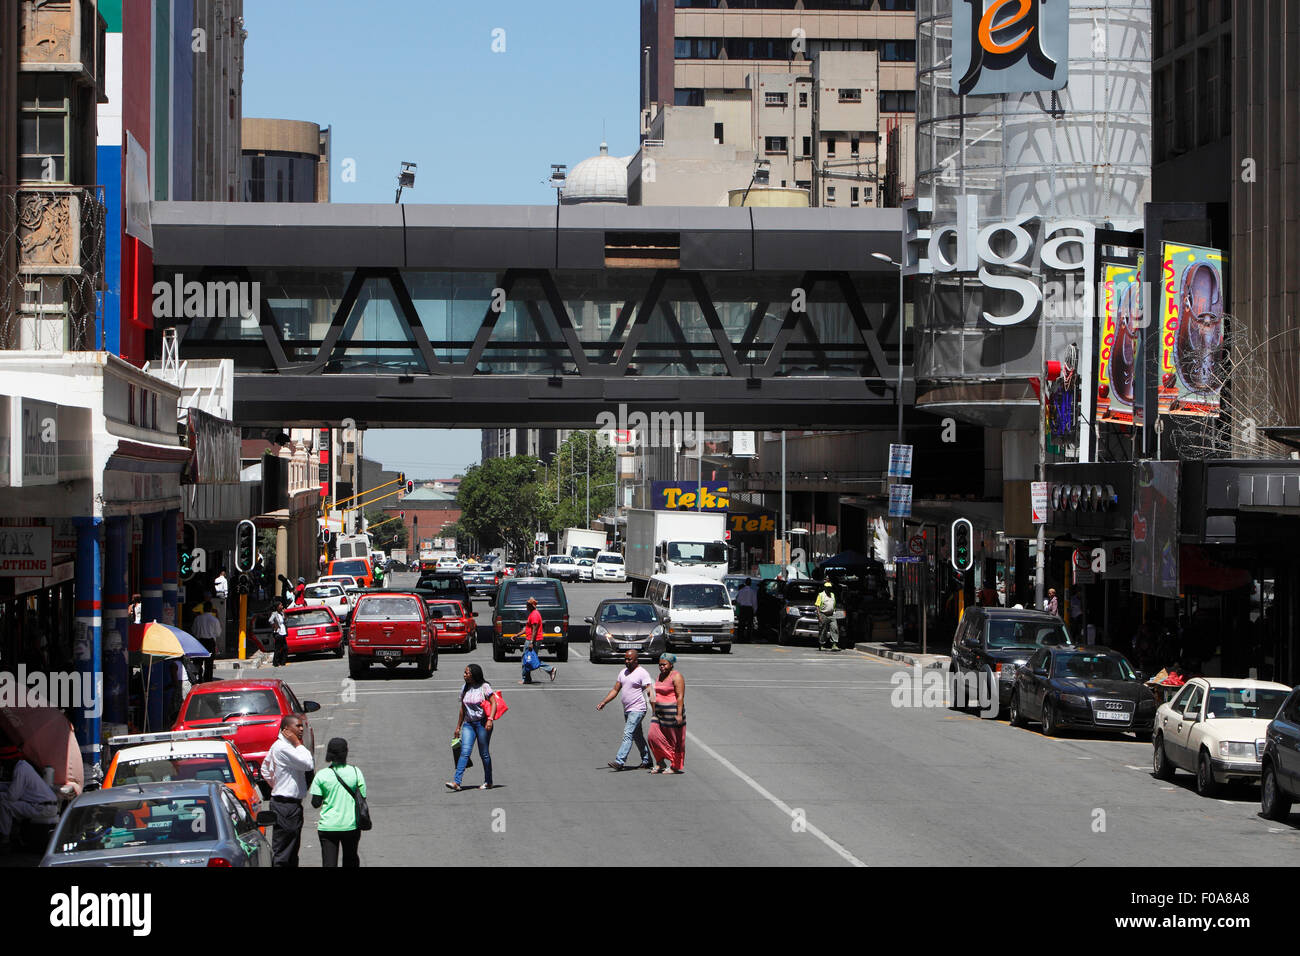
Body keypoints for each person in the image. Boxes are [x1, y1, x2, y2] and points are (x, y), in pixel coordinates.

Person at [262, 713, 314, 867]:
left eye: (301, 726)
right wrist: (298, 743)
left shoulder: (282, 746)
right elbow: (307, 764)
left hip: (290, 804)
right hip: (285, 805)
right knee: (284, 853)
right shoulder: (284, 747)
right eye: (297, 726)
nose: (301, 729)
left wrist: (278, 785)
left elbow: (265, 770)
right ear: (286, 729)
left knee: (291, 851)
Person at [310, 737, 366, 868]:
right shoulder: (356, 772)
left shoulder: (322, 775)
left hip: (328, 827)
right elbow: (362, 796)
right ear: (346, 752)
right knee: (351, 859)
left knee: (329, 863)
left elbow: (315, 803)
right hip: (350, 825)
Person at [596, 649, 653, 771]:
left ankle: (619, 761)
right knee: (637, 736)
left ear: (636, 660)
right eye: (625, 659)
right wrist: (604, 702)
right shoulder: (623, 673)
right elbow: (615, 690)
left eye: (629, 659)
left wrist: (654, 710)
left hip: (638, 709)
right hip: (627, 709)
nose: (626, 661)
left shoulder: (642, 673)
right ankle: (647, 760)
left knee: (628, 733)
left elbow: (650, 691)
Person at [0, 745, 58, 851]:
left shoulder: (20, 769)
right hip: (46, 805)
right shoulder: (23, 766)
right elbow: (12, 787)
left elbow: (11, 796)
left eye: (4, 762)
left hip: (42, 807)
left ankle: (5, 840)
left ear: (10, 760)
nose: (4, 766)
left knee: (5, 804)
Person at [448, 664, 494, 791]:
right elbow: (462, 709)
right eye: (464, 672)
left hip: (483, 723)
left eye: (466, 673)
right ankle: (457, 782)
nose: (464, 675)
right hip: (468, 724)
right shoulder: (465, 688)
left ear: (474, 674)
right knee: (464, 752)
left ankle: (488, 781)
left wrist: (490, 719)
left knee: (484, 753)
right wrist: (458, 727)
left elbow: (494, 703)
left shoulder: (484, 687)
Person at [647, 653, 686, 774]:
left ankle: (675, 765)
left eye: (664, 664)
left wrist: (679, 714)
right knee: (652, 737)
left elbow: (680, 696)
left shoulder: (677, 676)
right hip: (659, 713)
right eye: (660, 665)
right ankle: (660, 762)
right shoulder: (660, 676)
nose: (661, 667)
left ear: (671, 664)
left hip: (672, 715)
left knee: (675, 741)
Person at [519, 596, 556, 685]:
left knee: (528, 659)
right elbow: (528, 628)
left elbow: (534, 630)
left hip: (533, 640)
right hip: (531, 639)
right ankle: (527, 678)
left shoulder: (535, 615)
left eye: (528, 605)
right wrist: (517, 635)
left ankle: (549, 669)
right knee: (529, 659)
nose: (526, 606)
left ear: (532, 606)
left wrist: (531, 642)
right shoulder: (532, 614)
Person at [191, 601, 222, 682]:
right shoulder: (214, 620)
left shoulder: (198, 619)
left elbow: (194, 631)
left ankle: (199, 679)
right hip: (210, 643)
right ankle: (208, 681)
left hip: (200, 642)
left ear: (203, 609)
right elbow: (218, 633)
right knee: (209, 664)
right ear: (211, 609)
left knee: (198, 663)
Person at [814, 580, 840, 651]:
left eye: (829, 587)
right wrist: (819, 615)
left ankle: (834, 645)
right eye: (827, 587)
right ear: (825, 588)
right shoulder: (821, 595)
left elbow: (834, 604)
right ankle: (822, 644)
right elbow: (817, 606)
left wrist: (834, 611)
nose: (828, 589)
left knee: (834, 628)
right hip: (823, 614)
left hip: (831, 614)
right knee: (823, 630)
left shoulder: (832, 595)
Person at [735, 578, 758, 644]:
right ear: (750, 583)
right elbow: (754, 602)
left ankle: (740, 638)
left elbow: (738, 600)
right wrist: (754, 610)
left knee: (741, 624)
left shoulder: (741, 591)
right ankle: (748, 638)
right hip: (749, 609)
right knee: (749, 625)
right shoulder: (753, 592)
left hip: (743, 608)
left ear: (745, 582)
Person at [269, 598, 289, 666]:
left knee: (285, 648)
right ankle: (275, 663)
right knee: (277, 648)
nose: (282, 606)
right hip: (278, 633)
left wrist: (284, 614)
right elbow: (270, 620)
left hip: (283, 632)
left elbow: (285, 620)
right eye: (281, 605)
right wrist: (275, 626)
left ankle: (283, 662)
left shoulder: (282, 613)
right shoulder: (274, 614)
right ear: (277, 607)